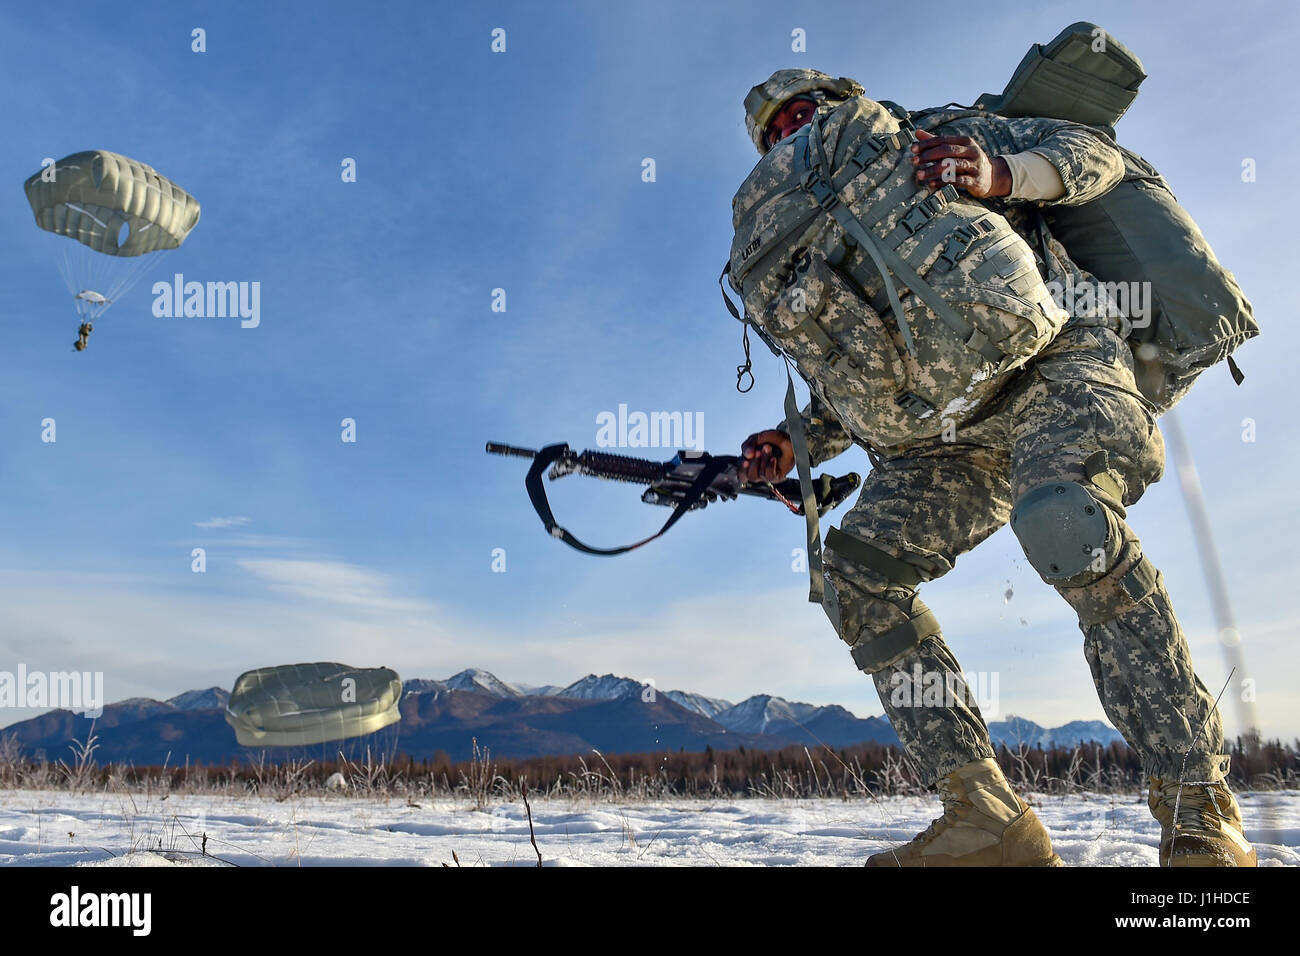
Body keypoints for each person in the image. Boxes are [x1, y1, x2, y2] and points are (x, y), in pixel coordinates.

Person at [735, 69, 1255, 867]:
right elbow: (863, 375)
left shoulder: (928, 136)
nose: (787, 135)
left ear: (841, 104)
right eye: (771, 132)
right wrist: (792, 443)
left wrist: (1001, 173)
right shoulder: (799, 237)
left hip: (1062, 361)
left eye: (799, 114)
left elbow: (1091, 154)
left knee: (1063, 519)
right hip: (945, 437)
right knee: (856, 575)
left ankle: (1198, 811)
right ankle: (985, 816)